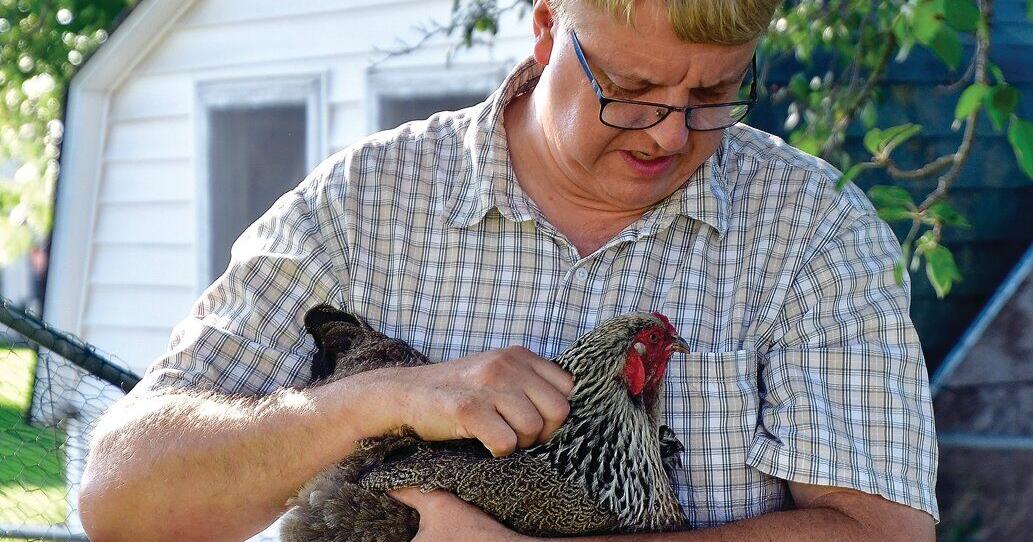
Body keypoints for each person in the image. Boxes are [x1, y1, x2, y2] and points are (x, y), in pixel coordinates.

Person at [78, 0, 938, 540]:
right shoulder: (362, 204)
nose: (671, 134)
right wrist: (382, 397)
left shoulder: (812, 233)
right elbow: (122, 500)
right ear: (543, 29)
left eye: (713, 95)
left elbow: (880, 531)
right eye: (631, 88)